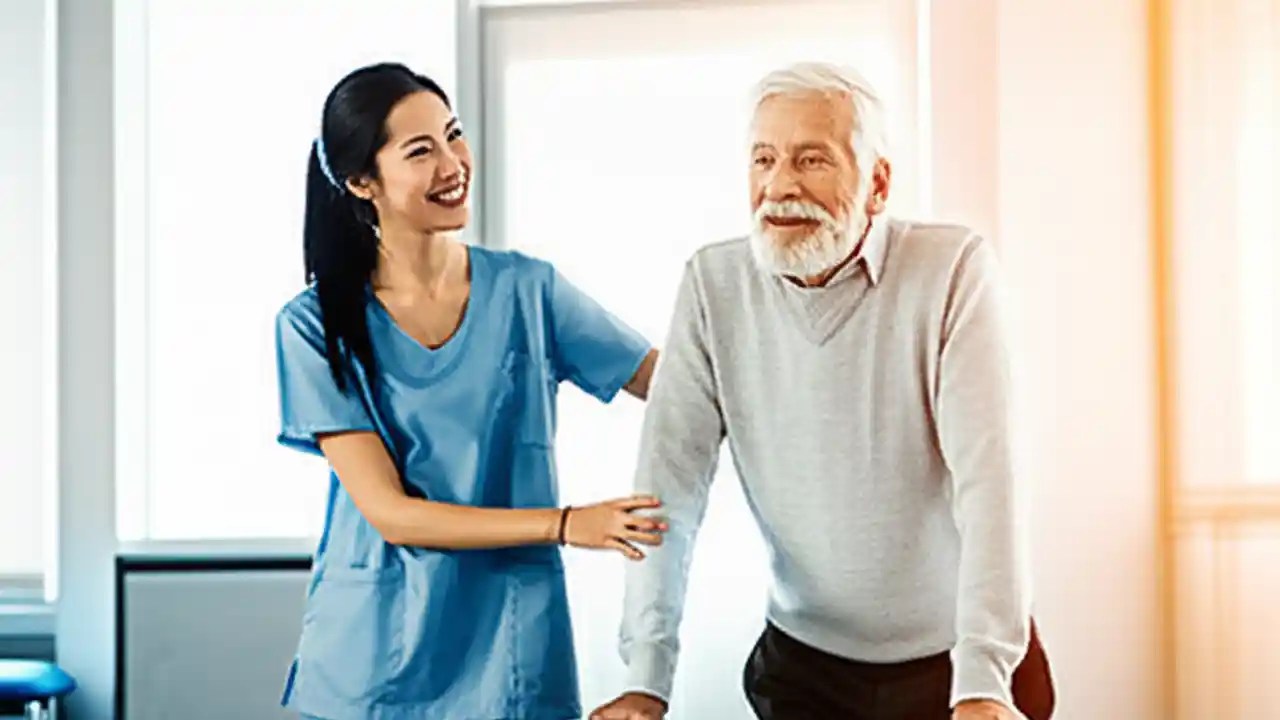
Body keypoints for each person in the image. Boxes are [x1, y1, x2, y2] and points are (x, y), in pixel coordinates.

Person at [591, 62, 1055, 720]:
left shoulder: (953, 271)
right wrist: (646, 677)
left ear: (878, 183)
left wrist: (982, 681)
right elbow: (668, 490)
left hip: (961, 665)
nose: (780, 187)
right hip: (806, 671)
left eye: (811, 160)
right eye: (763, 159)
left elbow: (991, 485)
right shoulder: (711, 285)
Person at [274, 62, 665, 720]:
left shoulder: (530, 291)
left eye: (454, 135)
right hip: (373, 654)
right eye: (421, 150)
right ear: (362, 181)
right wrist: (567, 525)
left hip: (511, 643)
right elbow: (392, 513)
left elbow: (674, 385)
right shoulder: (314, 325)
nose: (454, 162)